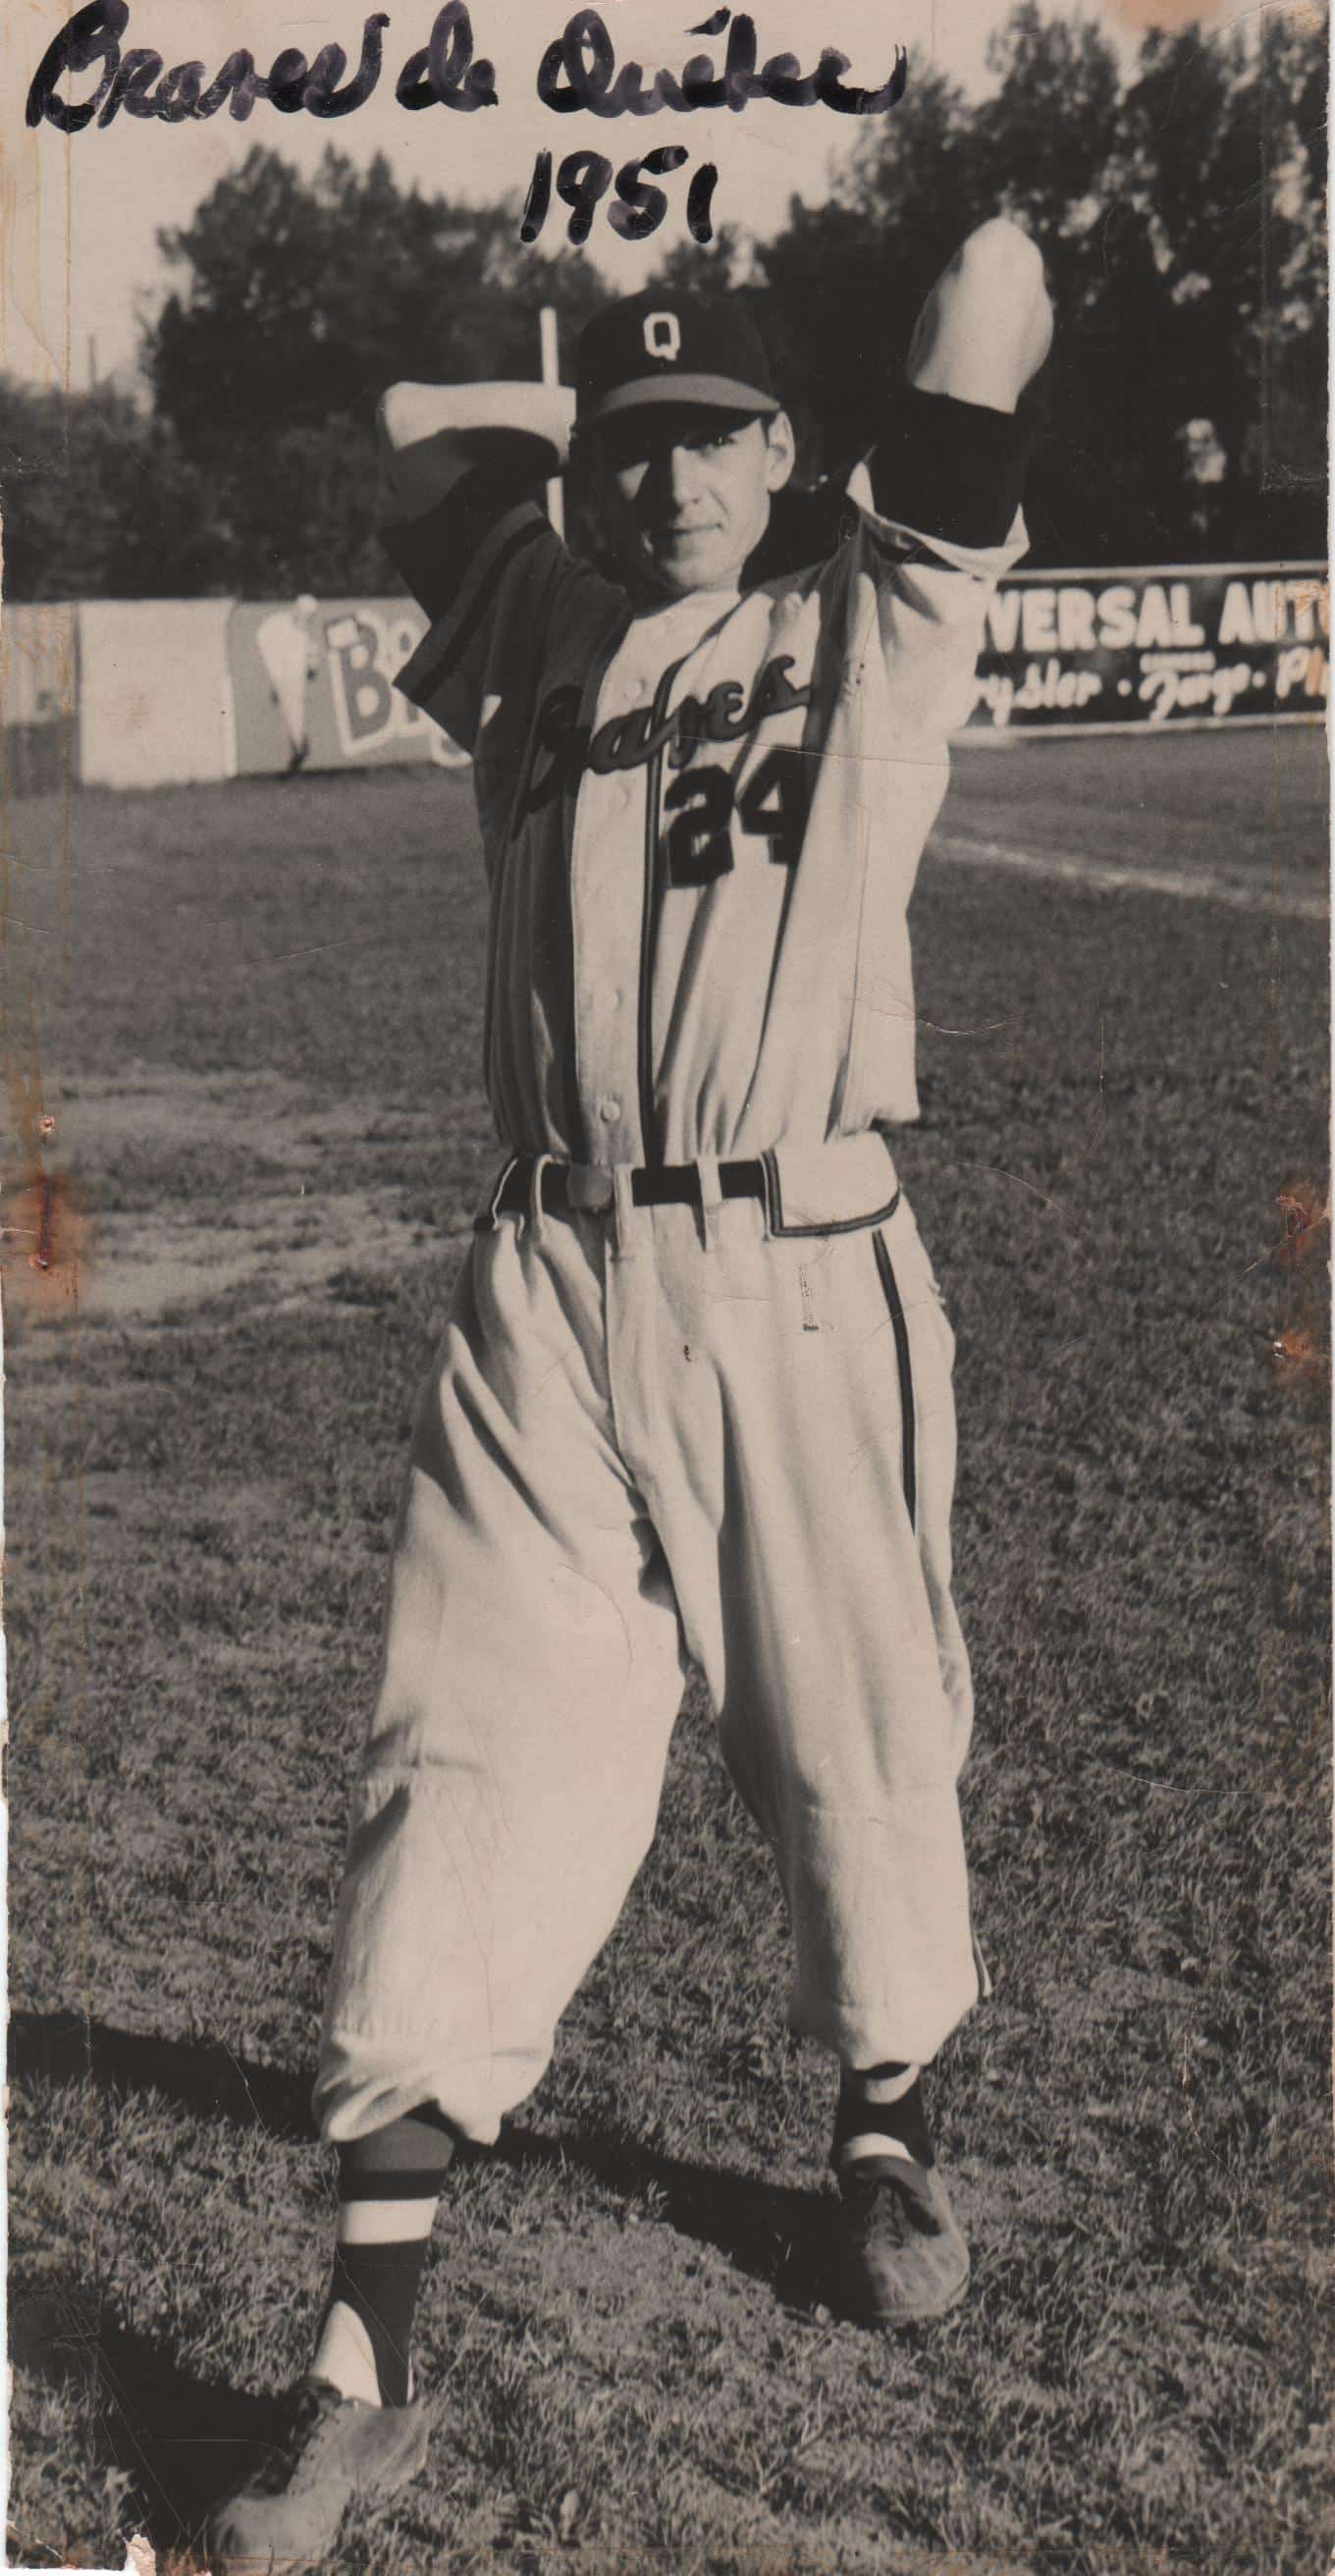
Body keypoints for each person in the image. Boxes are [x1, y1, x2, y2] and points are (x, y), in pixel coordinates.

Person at [209, 218, 1053, 2574]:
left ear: (790, 453)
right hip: (549, 1268)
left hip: (799, 1254)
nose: (668, 485)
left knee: (851, 1733)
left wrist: (891, 333)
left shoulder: (866, 616)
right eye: (630, 446)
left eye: (711, 440)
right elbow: (410, 437)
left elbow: (989, 289)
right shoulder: (543, 635)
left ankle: (881, 2133)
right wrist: (540, 348)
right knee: (451, 1760)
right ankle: (357, 2370)